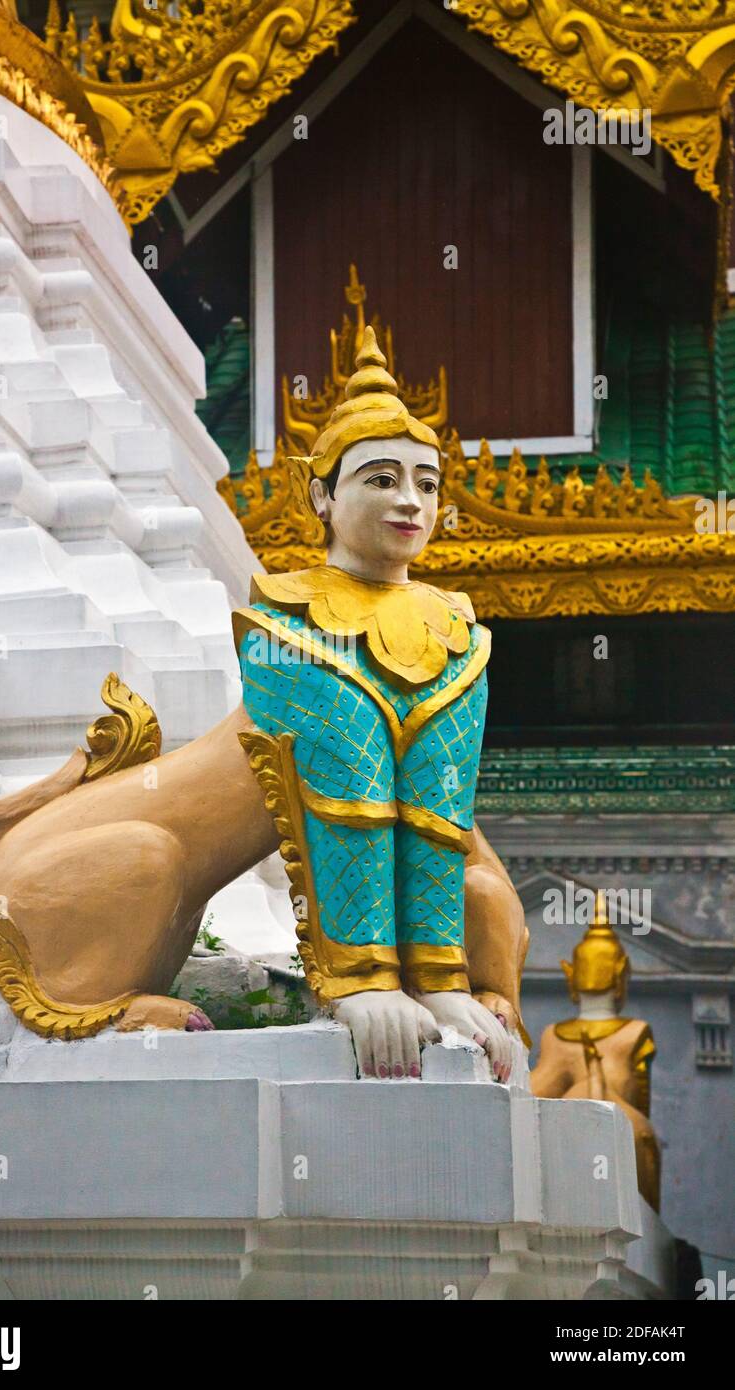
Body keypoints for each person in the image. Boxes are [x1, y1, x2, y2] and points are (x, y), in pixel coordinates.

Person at [233, 325, 513, 1082]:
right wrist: (363, 985)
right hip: (344, 949)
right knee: (352, 790)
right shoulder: (277, 623)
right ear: (320, 495)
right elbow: (346, 800)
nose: (410, 502)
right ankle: (360, 974)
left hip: (438, 969)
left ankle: (437, 976)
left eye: (427, 483)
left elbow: (435, 815)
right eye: (381, 479)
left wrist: (443, 986)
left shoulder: (459, 632)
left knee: (440, 821)